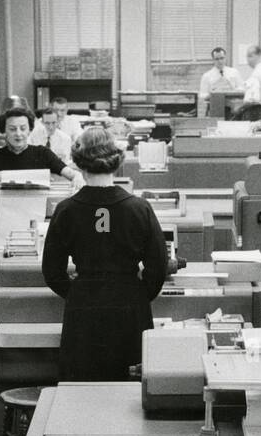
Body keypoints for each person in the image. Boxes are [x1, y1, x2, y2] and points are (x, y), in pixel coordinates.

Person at [42, 127, 169, 381]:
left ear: (79, 162)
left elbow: (52, 272)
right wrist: (138, 294)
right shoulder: (139, 208)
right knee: (131, 392)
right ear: (116, 160)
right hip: (130, 308)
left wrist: (79, 292)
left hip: (84, 310)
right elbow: (158, 267)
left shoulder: (66, 210)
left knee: (83, 393)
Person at [0, 107, 78, 183]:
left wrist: (78, 178)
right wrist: (22, 176)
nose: (18, 134)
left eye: (23, 128)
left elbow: (70, 173)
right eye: (12, 129)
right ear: (4, 131)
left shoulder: (42, 153)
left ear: (30, 130)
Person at [232, 45, 261, 122]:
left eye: (250, 56)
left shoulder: (256, 74)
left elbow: (251, 100)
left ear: (259, 56)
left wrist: (239, 107)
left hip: (256, 114)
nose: (247, 60)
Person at [197, 46, 242, 115]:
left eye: (222, 58)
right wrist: (211, 95)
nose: (220, 61)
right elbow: (202, 94)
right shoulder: (206, 76)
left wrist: (234, 91)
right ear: (213, 60)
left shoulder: (234, 72)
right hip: (215, 107)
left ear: (225, 58)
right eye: (217, 59)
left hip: (232, 107)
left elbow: (242, 88)